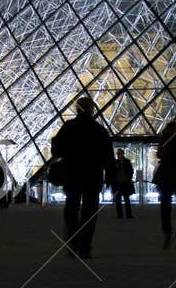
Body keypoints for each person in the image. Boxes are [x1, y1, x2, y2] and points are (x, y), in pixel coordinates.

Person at [50, 96, 112, 259]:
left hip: (72, 175)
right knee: (89, 212)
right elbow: (108, 157)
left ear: (77, 109)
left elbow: (56, 151)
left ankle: (72, 242)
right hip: (93, 176)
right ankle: (86, 246)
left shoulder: (68, 127)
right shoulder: (100, 130)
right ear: (93, 109)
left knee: (71, 210)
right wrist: (111, 176)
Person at [110, 150, 136, 218]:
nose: (120, 155)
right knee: (118, 200)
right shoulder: (115, 162)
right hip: (117, 183)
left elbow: (131, 171)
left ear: (123, 154)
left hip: (125, 183)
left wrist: (128, 178)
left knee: (126, 199)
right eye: (119, 154)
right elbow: (112, 172)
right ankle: (120, 214)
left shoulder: (127, 161)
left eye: (121, 154)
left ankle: (128, 214)